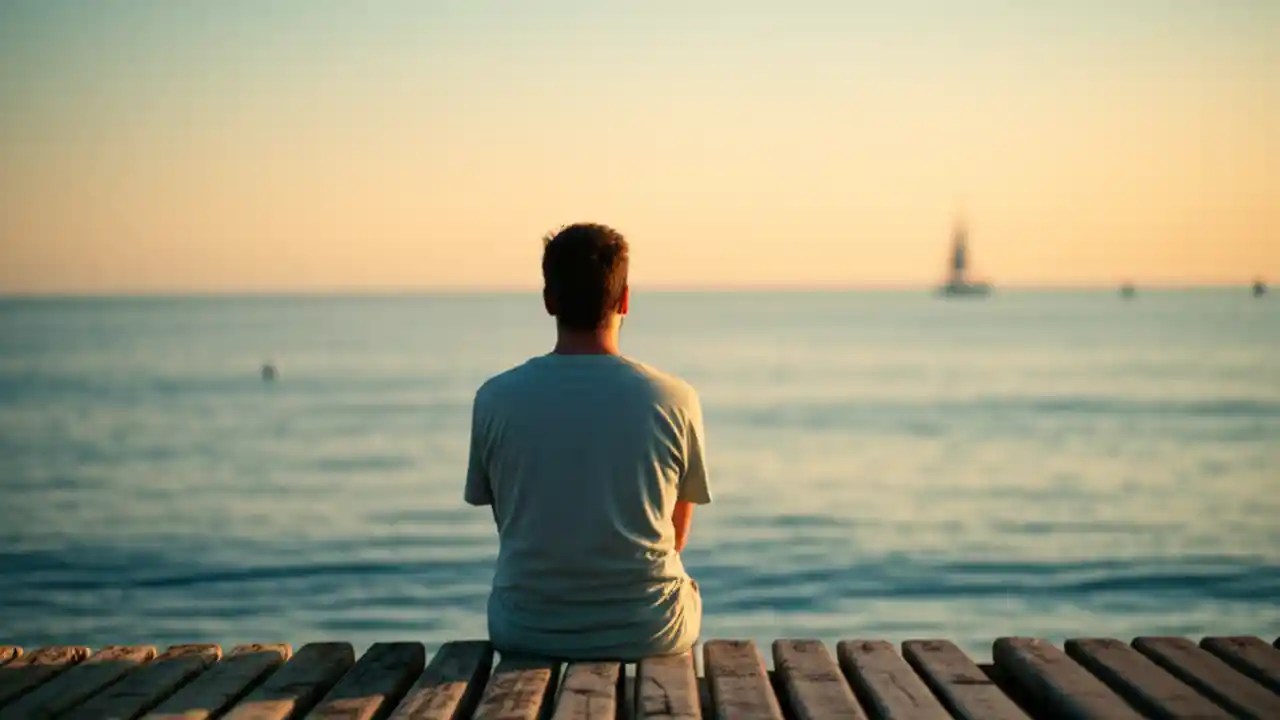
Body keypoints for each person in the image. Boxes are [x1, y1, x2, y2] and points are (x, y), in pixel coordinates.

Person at [464, 223, 711, 660]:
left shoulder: (495, 399)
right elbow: (675, 537)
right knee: (683, 586)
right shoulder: (674, 399)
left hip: (526, 627)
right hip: (648, 629)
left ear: (548, 301)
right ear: (626, 300)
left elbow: (513, 525)